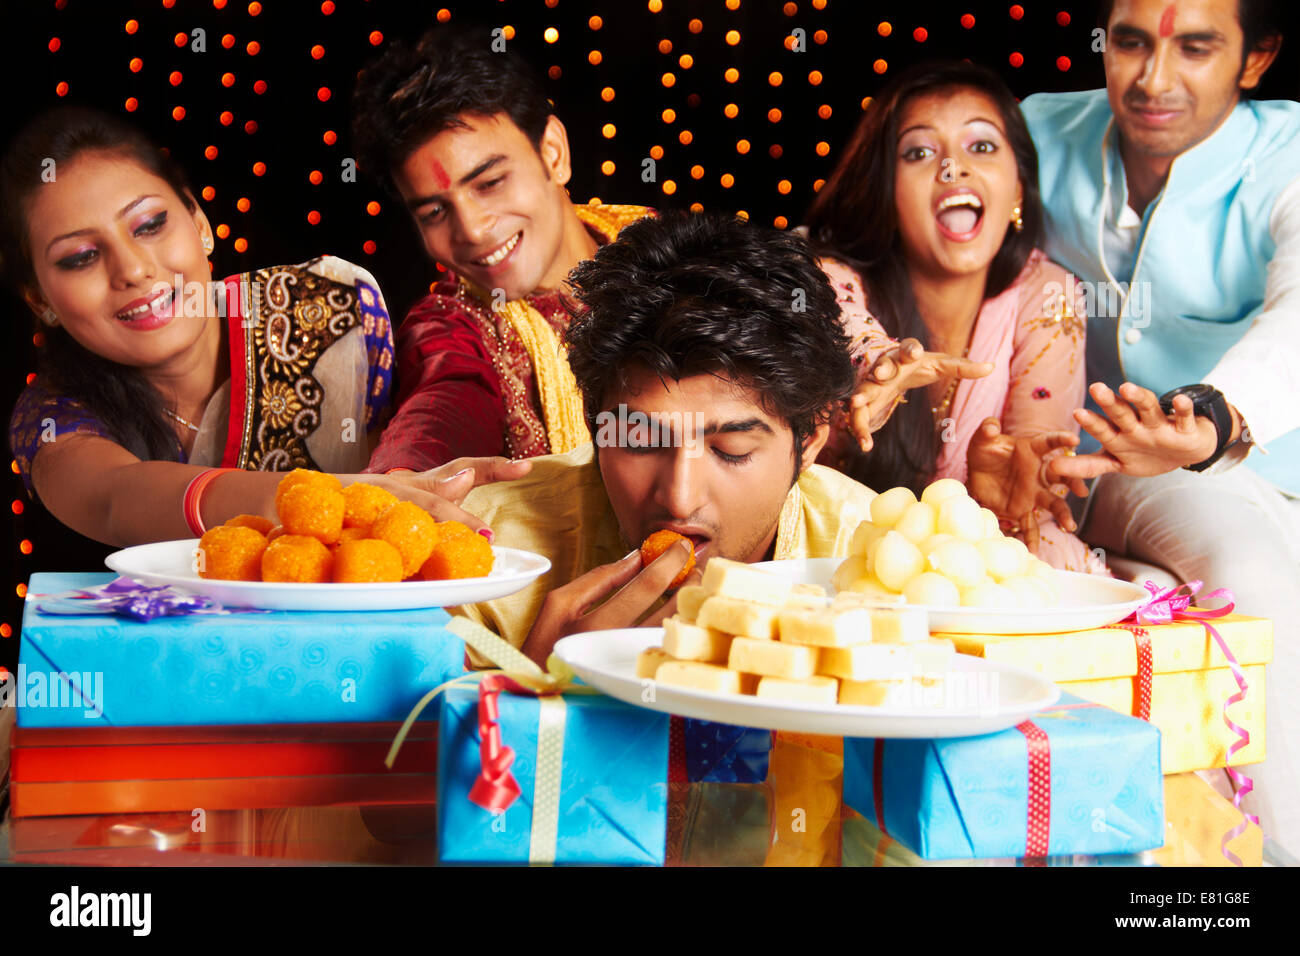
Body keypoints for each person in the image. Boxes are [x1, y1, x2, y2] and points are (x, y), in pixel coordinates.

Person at [1028, 0, 1299, 850]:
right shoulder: (1036, 130)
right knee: (1249, 568)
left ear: (1256, 60)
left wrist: (1211, 419)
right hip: (1116, 468)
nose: (1152, 79)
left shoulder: (1290, 156)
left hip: (1251, 449)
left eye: (1195, 48)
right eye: (1132, 42)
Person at [1, 106, 524, 546]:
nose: (133, 269)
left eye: (150, 224)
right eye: (80, 257)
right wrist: (324, 501)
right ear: (39, 299)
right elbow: (114, 496)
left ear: (200, 224)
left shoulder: (326, 305)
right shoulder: (53, 415)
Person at [452, 211, 871, 661]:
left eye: (731, 450)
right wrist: (534, 682)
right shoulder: (481, 558)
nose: (679, 500)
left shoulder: (874, 563)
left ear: (808, 443)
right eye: (638, 440)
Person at [806, 61, 1103, 573]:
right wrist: (878, 368)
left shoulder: (1048, 294)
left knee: (1048, 553)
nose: (952, 168)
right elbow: (848, 329)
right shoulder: (825, 274)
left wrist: (1009, 494)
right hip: (834, 546)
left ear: (1016, 187)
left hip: (975, 547)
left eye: (981, 146)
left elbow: (1033, 455)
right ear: (887, 191)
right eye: (919, 152)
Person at [351, 25, 652, 474]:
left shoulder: (673, 248)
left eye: (490, 183)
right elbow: (437, 412)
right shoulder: (453, 329)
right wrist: (405, 479)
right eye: (434, 212)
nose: (471, 230)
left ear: (553, 152)